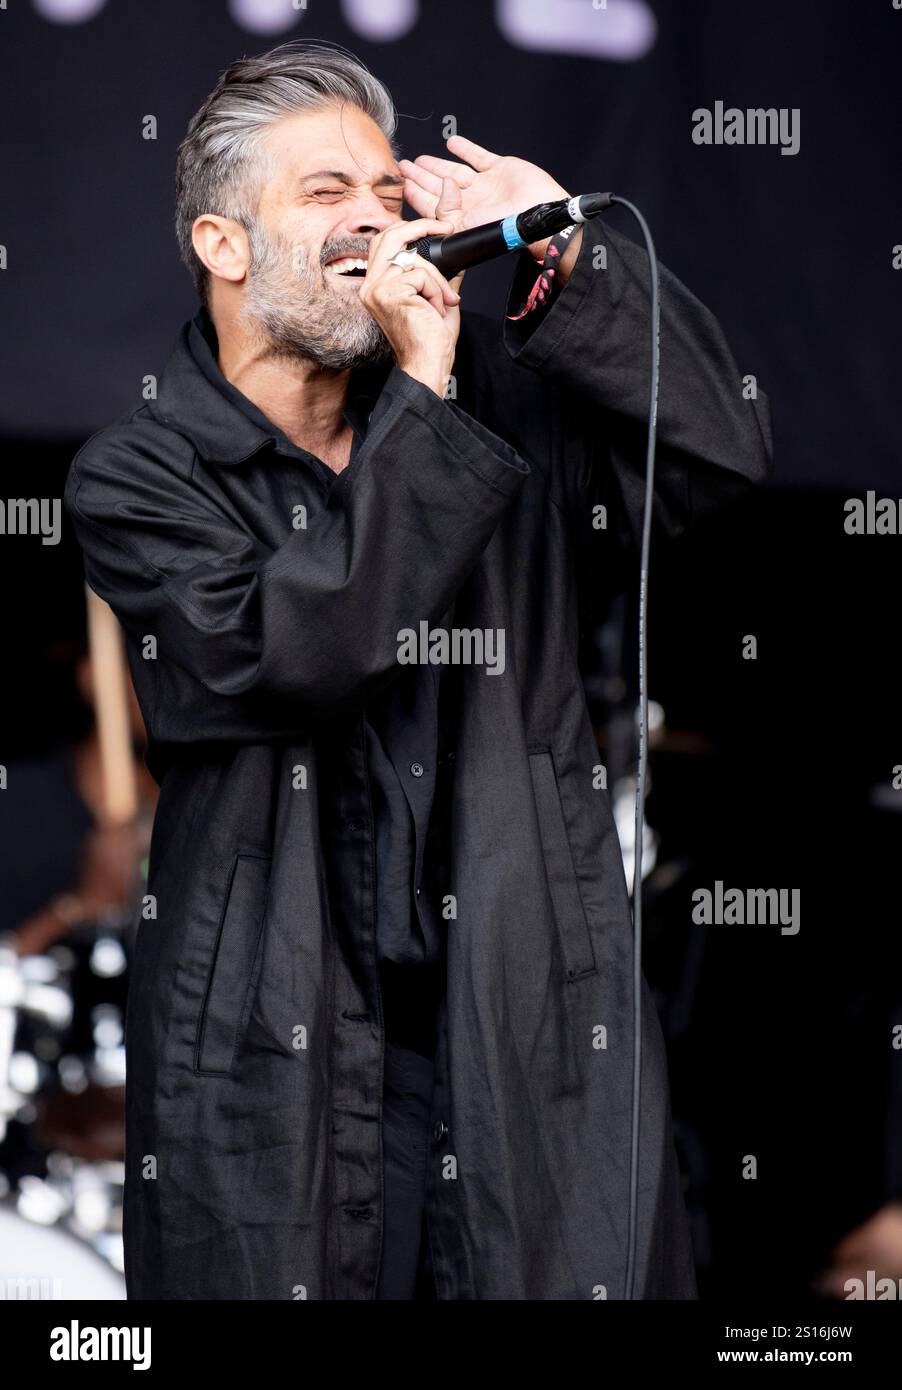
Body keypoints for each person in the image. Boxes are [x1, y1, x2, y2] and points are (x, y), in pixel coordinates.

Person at [64, 40, 772, 1300]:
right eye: (324, 192)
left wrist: (565, 258)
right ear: (225, 248)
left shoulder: (503, 405)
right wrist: (429, 393)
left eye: (388, 194)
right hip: (275, 1056)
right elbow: (306, 649)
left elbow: (717, 464)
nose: (373, 219)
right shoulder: (140, 473)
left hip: (523, 1022)